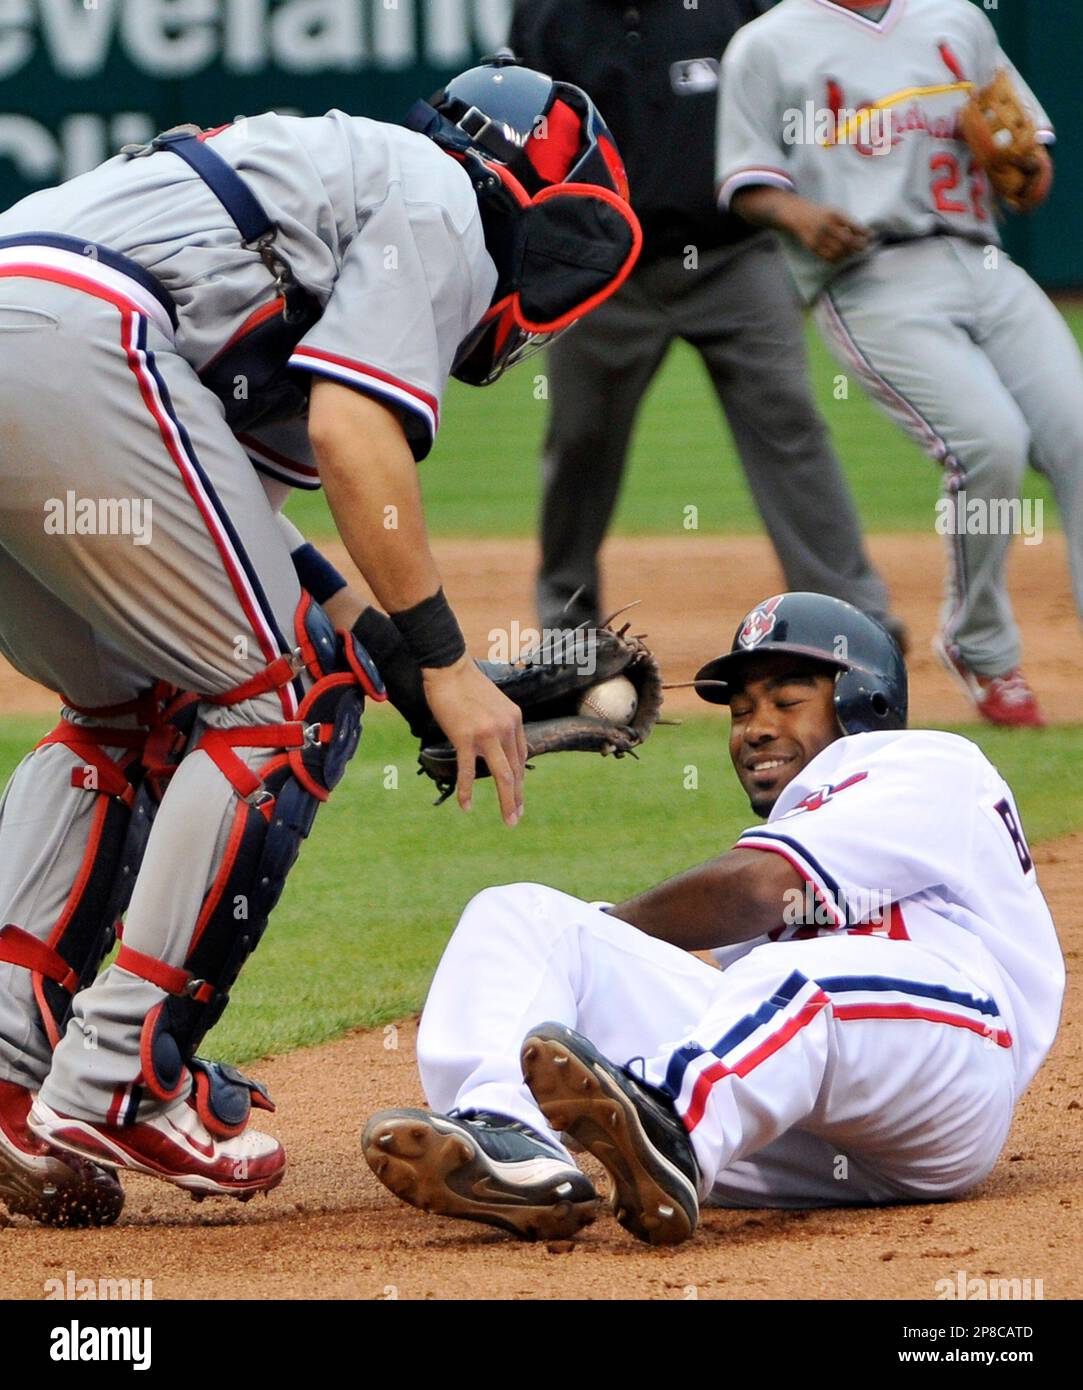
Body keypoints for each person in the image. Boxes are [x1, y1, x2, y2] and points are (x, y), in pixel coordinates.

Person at [0, 60, 641, 1224]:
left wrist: (405, 670)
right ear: (525, 197)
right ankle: (120, 1077)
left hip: (41, 329)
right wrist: (448, 660)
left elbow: (246, 532)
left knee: (132, 704)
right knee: (283, 705)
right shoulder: (444, 200)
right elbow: (356, 437)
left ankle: (7, 1064)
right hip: (78, 338)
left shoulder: (333, 192)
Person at [363, 591, 1063, 1246]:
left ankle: (676, 1128)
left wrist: (610, 928)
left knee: (791, 975)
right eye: (738, 713)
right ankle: (511, 1138)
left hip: (945, 1086)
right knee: (521, 916)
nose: (755, 729)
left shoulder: (926, 764)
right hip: (789, 1136)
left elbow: (762, 887)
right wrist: (572, 944)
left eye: (786, 700)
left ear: (864, 700)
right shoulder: (800, 835)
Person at [716, 0, 1083, 727]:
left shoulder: (955, 20)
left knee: (1077, 435)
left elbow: (1030, 171)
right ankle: (980, 645)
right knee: (987, 444)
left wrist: (1024, 167)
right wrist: (800, 217)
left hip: (981, 261)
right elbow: (744, 182)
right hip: (871, 276)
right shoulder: (767, 43)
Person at [507, 0, 902, 647]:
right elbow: (529, 138)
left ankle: (853, 616)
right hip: (605, 271)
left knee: (788, 422)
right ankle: (567, 622)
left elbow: (799, 96)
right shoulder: (549, 12)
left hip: (734, 256)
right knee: (579, 439)